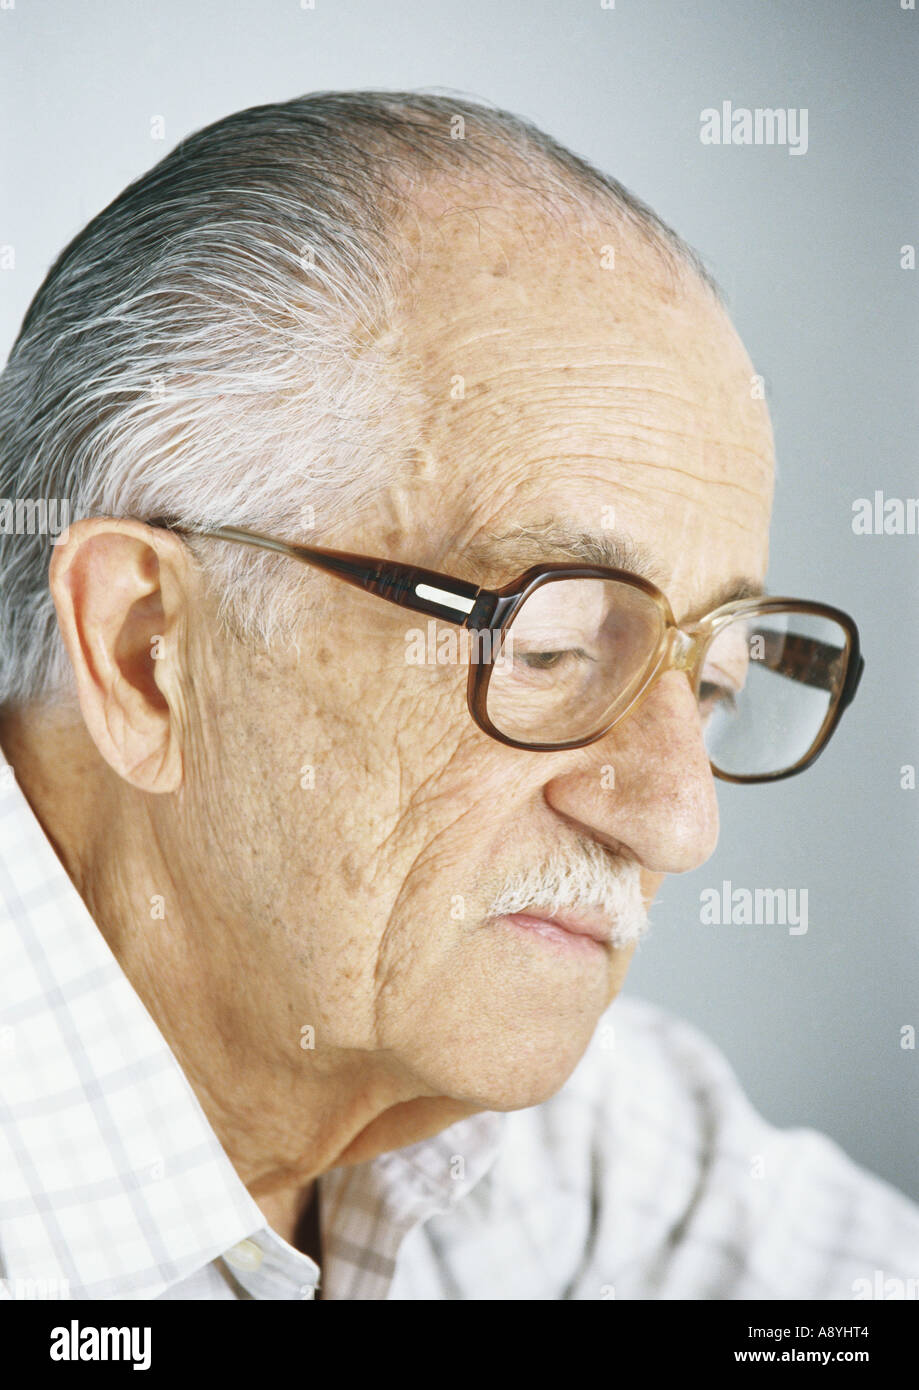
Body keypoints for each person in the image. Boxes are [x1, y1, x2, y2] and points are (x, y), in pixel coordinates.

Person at [0, 91, 914, 1301]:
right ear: (147, 651)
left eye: (711, 683)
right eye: (550, 648)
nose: (679, 825)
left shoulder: (590, 1152)